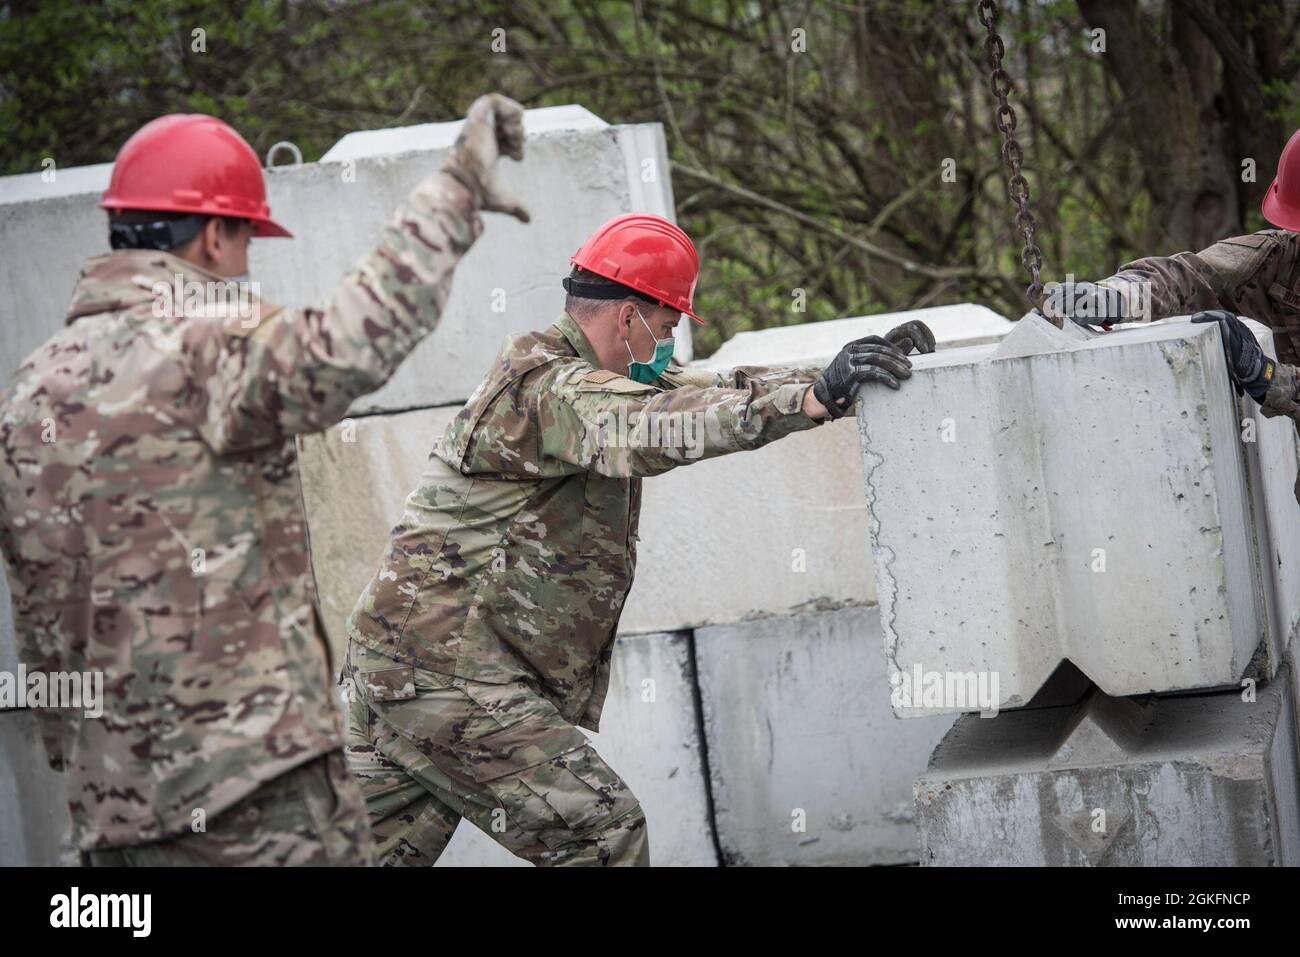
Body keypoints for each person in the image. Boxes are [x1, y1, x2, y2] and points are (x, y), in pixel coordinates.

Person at [0, 93, 529, 865]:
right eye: (247, 241)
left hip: (113, 816)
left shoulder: (29, 390)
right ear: (215, 234)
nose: (249, 268)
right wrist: (455, 188)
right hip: (255, 797)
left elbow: (37, 607)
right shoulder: (202, 341)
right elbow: (348, 345)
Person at [343, 211, 935, 865]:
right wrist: (808, 401)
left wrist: (831, 381)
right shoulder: (549, 389)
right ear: (627, 318)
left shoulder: (598, 376)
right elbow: (651, 426)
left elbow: (715, 389)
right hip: (441, 674)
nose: (668, 344)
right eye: (668, 325)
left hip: (405, 666)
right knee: (602, 831)